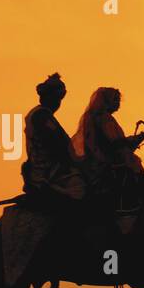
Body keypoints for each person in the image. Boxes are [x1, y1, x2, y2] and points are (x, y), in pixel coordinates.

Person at [22, 73, 86, 205]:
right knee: (80, 190)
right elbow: (56, 144)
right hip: (47, 171)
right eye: (56, 98)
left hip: (52, 167)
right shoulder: (41, 116)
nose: (58, 102)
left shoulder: (42, 114)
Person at [71, 86, 144, 196]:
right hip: (108, 163)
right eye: (116, 100)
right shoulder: (104, 118)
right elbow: (116, 143)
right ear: (107, 101)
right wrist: (132, 140)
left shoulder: (93, 117)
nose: (118, 103)